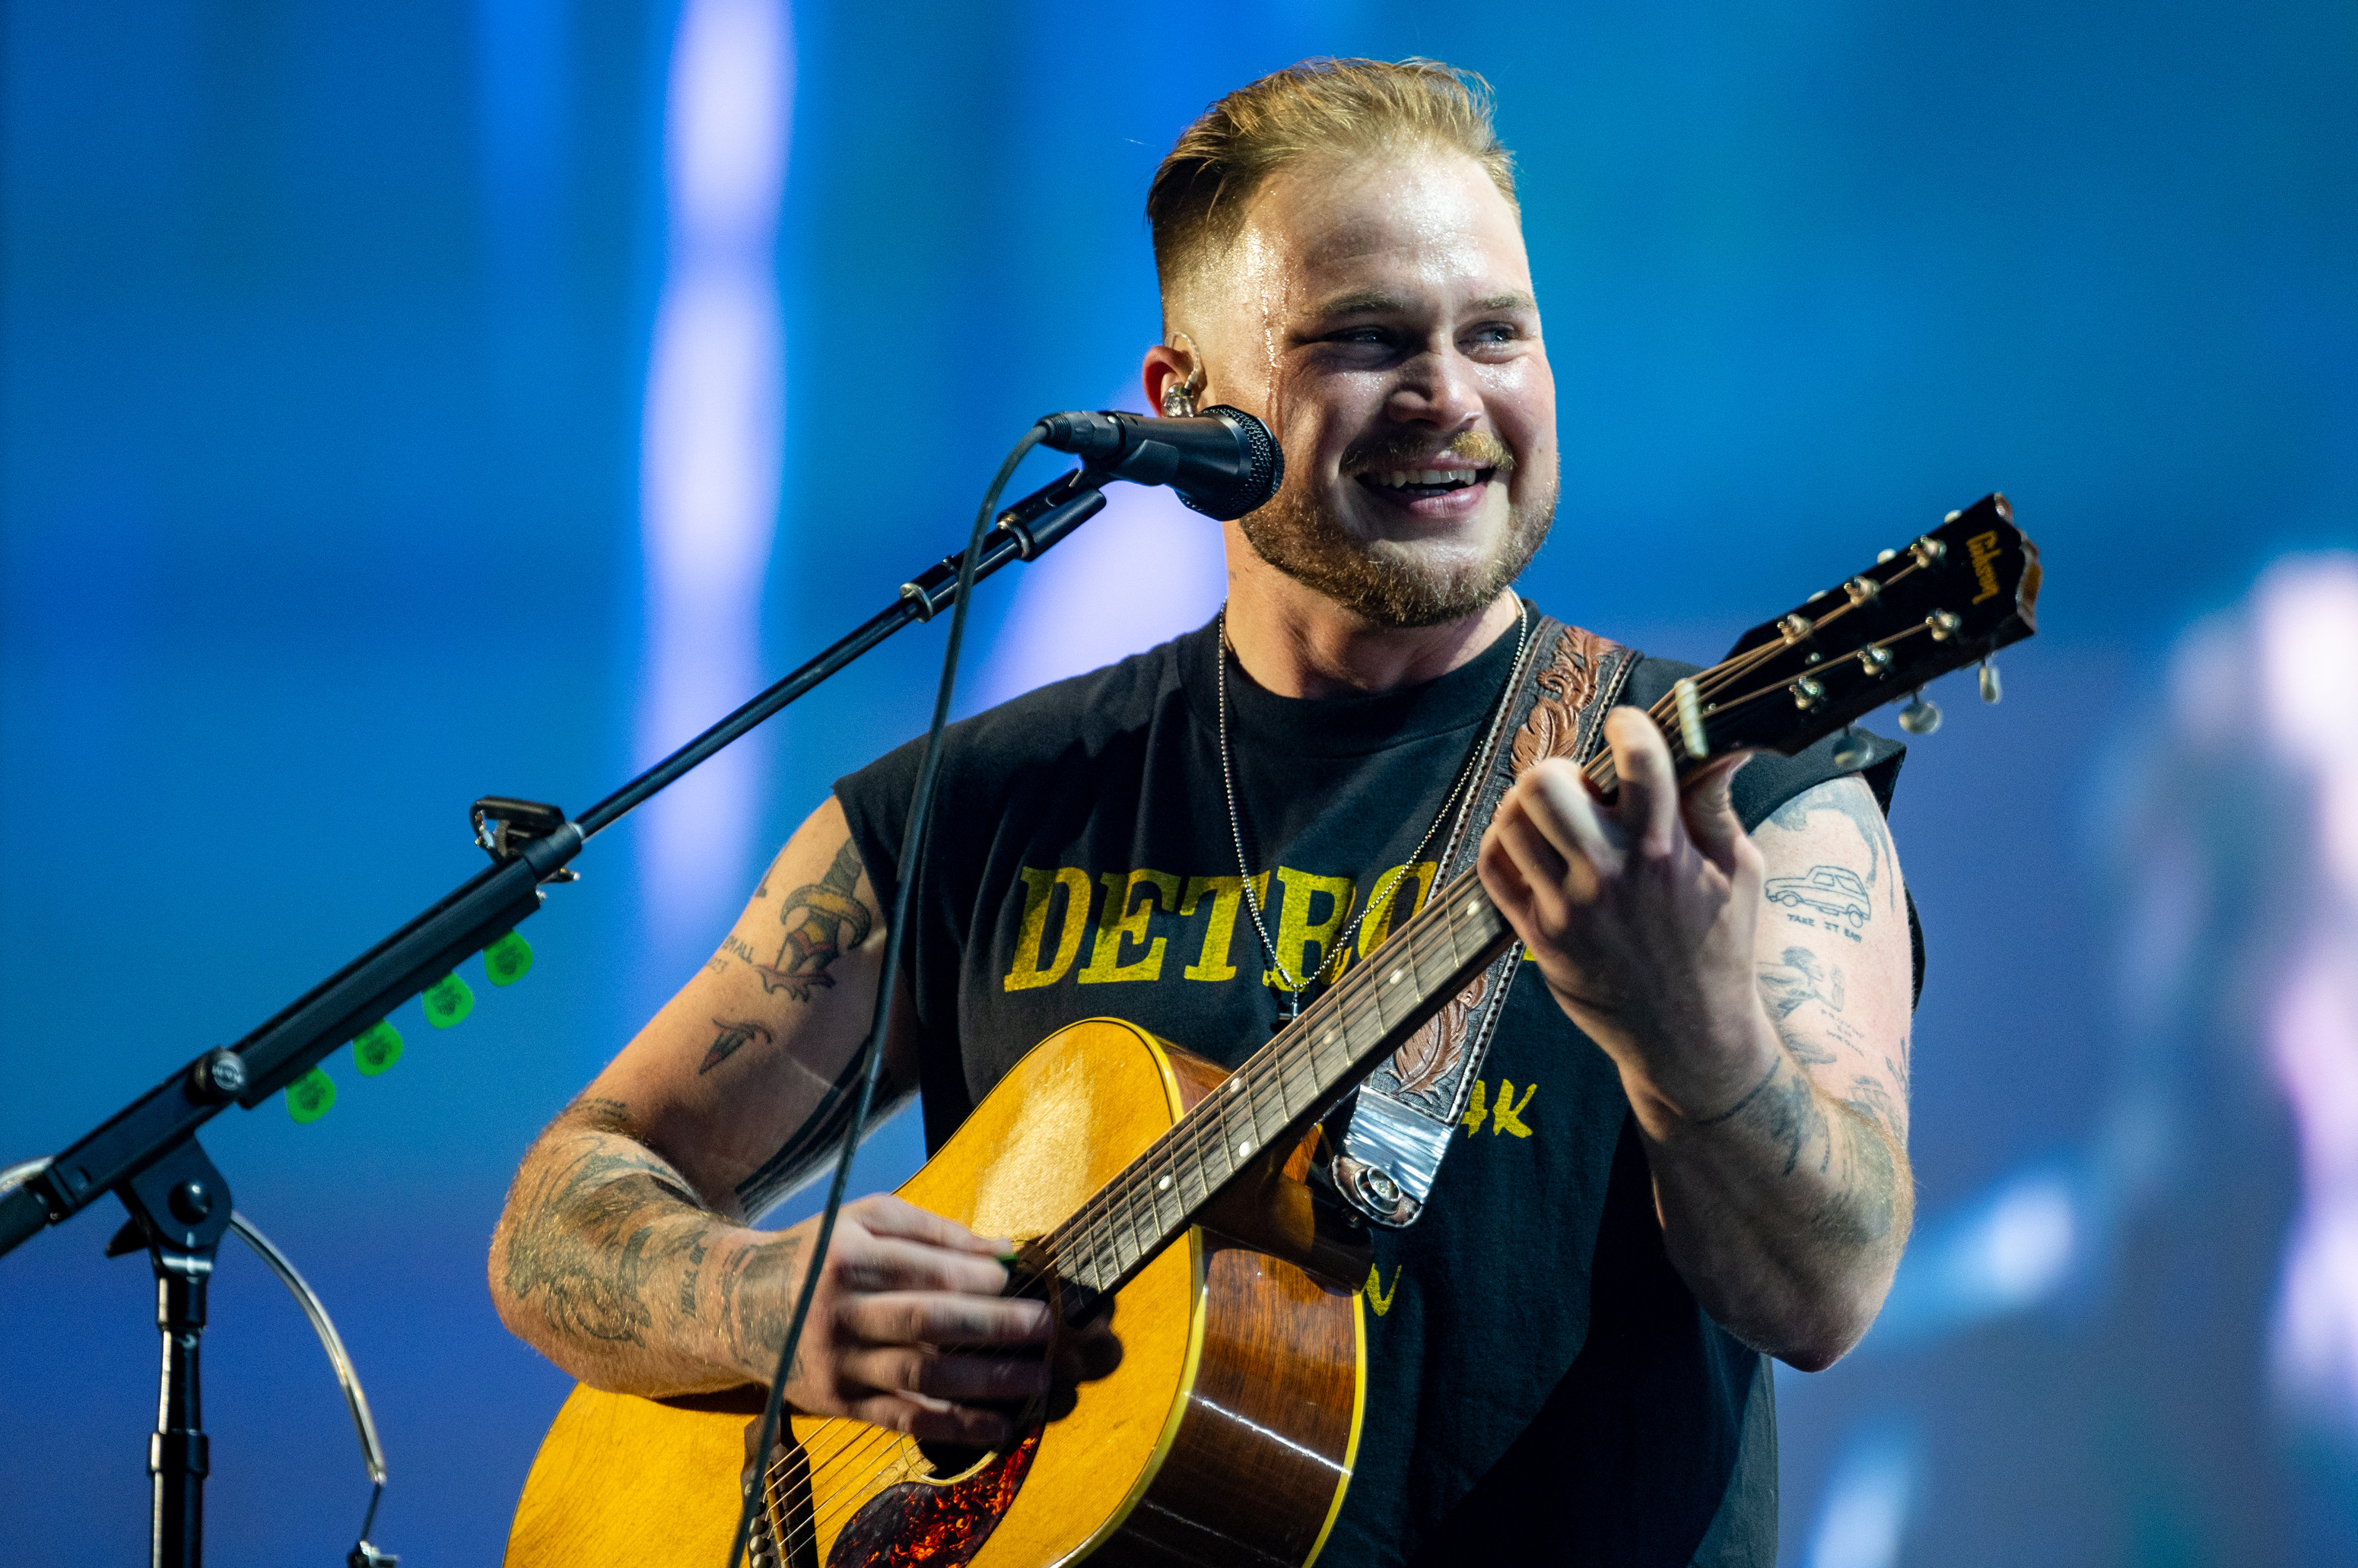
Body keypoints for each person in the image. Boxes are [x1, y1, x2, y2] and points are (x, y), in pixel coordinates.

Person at [491, 57, 1918, 1566]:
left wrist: (1687, 1036)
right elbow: (555, 1213)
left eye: (1495, 332)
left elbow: (1823, 1289)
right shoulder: (971, 812)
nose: (1449, 392)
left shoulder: (1730, 808)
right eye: (1365, 339)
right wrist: (761, 1300)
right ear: (1187, 404)